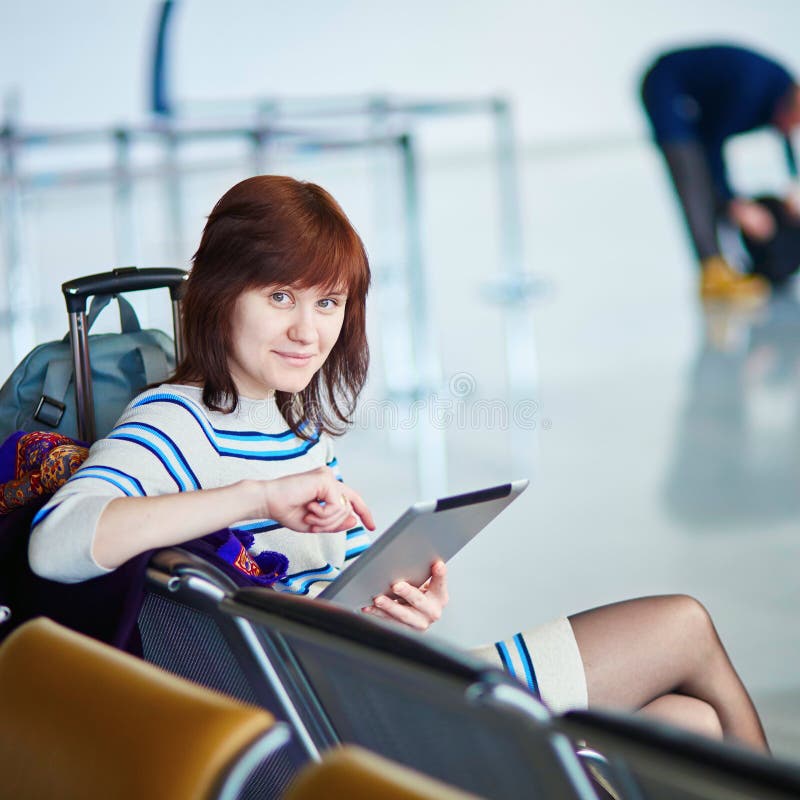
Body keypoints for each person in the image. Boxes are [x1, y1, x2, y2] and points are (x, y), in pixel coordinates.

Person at [28, 175, 769, 752]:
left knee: (691, 725)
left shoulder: (293, 427)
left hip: (362, 688)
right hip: (354, 719)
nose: (307, 330)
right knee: (682, 624)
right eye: (280, 296)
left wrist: (400, 599)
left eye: (328, 303)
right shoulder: (174, 421)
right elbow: (54, 545)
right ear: (221, 293)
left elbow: (327, 597)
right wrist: (258, 496)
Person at [640, 43, 800, 304]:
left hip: (698, 100)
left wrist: (793, 183)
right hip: (666, 87)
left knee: (710, 184)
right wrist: (735, 203)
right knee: (691, 176)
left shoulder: (785, 91)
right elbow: (711, 145)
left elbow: (785, 132)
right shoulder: (751, 91)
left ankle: (721, 261)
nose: (794, 128)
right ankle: (712, 271)